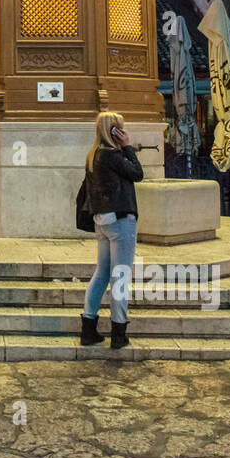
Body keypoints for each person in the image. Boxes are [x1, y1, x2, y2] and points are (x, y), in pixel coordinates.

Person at [81, 113, 144, 350]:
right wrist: (128, 147)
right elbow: (137, 174)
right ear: (115, 130)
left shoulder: (93, 155)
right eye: (122, 129)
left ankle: (89, 328)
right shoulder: (112, 155)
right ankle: (118, 333)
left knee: (102, 273)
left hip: (103, 221)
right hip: (120, 219)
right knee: (120, 277)